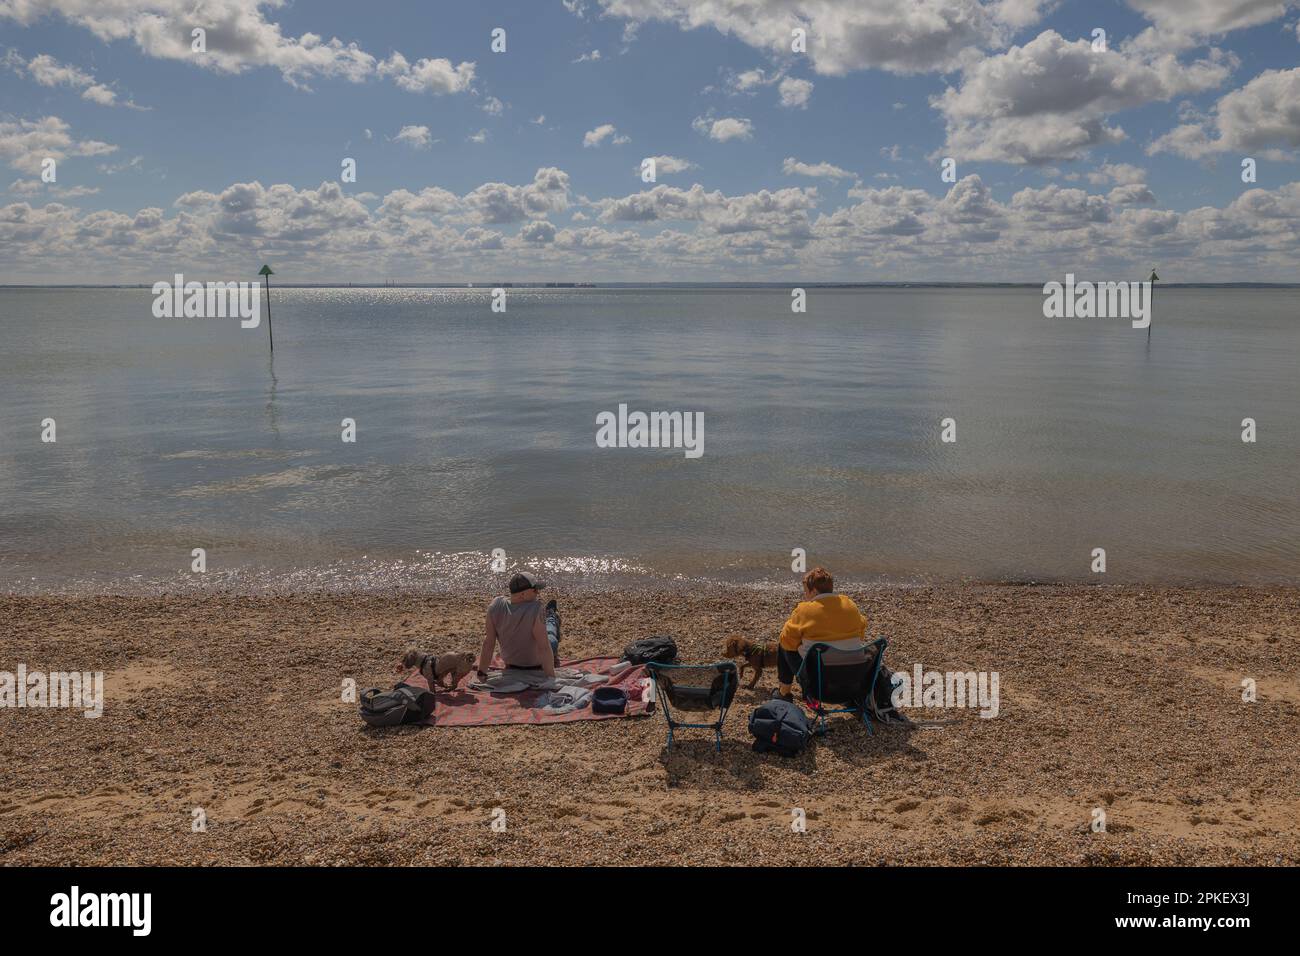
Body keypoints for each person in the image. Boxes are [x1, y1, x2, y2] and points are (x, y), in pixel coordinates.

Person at [774, 566, 867, 702]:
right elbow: (861, 632)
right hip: (853, 681)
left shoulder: (805, 610)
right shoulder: (850, 605)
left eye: (806, 592)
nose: (805, 596)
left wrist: (802, 643)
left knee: (784, 646)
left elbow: (786, 641)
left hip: (817, 685)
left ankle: (784, 693)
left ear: (814, 591)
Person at [477, 573, 562, 680]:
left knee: (547, 631)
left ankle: (550, 615)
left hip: (511, 662)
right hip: (534, 664)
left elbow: (488, 643)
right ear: (523, 594)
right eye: (535, 590)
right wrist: (551, 678)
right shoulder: (536, 608)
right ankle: (552, 616)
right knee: (551, 635)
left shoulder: (495, 605)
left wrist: (481, 672)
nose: (538, 592)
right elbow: (544, 647)